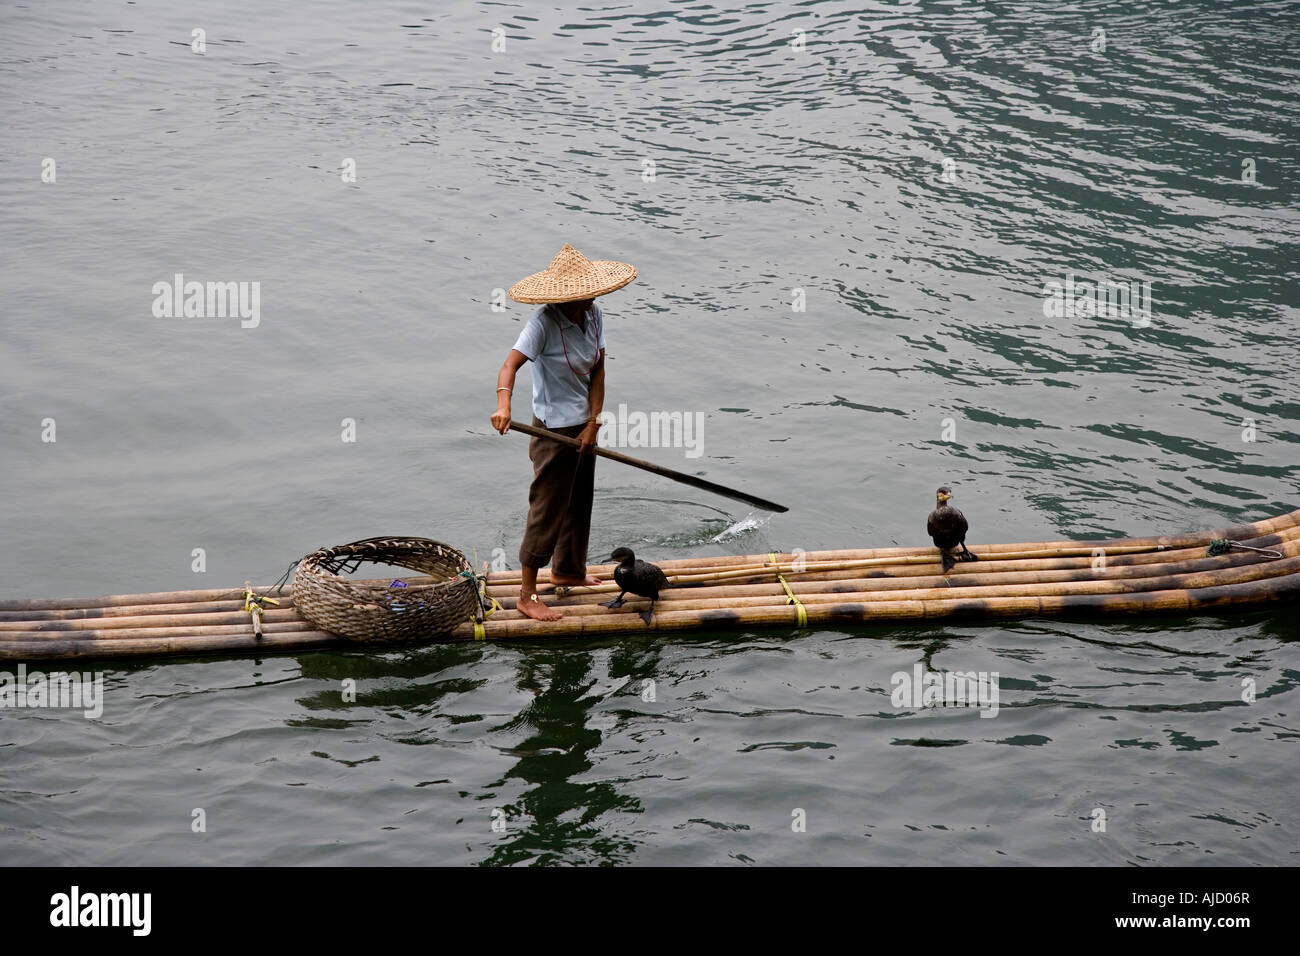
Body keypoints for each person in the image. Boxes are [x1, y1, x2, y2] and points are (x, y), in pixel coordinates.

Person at [490, 243, 637, 621]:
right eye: (585, 295)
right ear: (566, 296)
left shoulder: (594, 316)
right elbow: (509, 367)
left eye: (592, 294)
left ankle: (568, 571)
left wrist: (593, 422)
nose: (591, 298)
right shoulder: (542, 324)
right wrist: (504, 405)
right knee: (547, 507)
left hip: (585, 424)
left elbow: (599, 370)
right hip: (553, 431)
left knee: (578, 500)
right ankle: (527, 594)